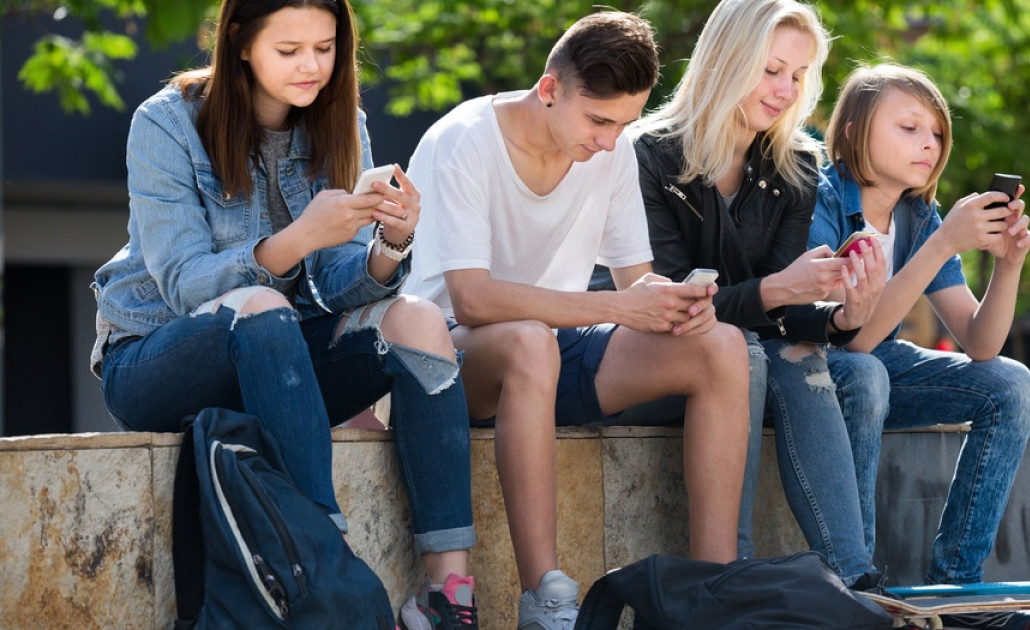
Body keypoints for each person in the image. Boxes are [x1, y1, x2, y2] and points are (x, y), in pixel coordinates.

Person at [87, 1, 479, 628]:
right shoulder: (166, 122)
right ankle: (325, 570)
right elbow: (185, 284)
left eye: (325, 48)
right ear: (241, 43)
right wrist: (298, 238)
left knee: (419, 321)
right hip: (156, 356)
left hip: (281, 357)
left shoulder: (342, 121)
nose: (311, 67)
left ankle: (449, 595)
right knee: (264, 307)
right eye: (289, 50)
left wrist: (391, 243)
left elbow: (338, 284)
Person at [402, 11, 750, 630]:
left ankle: (711, 593)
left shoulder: (612, 152)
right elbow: (472, 299)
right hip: (451, 363)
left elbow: (635, 279)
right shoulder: (463, 141)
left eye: (624, 123)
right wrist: (618, 307)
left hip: (556, 352)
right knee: (531, 344)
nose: (611, 141)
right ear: (549, 89)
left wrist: (675, 303)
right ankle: (546, 597)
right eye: (598, 121)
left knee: (721, 347)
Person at [632, 0, 891, 591]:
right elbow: (667, 304)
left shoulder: (795, 163)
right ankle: (735, 580)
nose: (786, 90)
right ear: (726, 59)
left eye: (798, 76)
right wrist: (777, 290)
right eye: (771, 70)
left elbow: (785, 318)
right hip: (653, 356)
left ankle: (855, 581)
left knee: (807, 357)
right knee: (745, 352)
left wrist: (842, 316)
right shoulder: (648, 153)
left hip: (752, 355)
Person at [811, 63, 1030, 630]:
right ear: (853, 132)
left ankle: (957, 588)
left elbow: (981, 344)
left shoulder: (919, 215)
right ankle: (857, 589)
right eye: (909, 127)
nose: (929, 144)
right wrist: (941, 244)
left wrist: (1007, 265)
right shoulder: (820, 199)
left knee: (1010, 383)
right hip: (814, 370)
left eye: (937, 132)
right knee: (866, 372)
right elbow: (853, 336)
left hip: (879, 368)